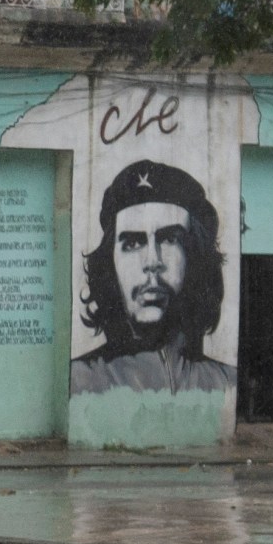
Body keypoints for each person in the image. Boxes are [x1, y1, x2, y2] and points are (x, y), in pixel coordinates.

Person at [71, 160, 236, 395]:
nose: (152, 262)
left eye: (170, 239)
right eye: (132, 243)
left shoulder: (226, 384)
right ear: (109, 263)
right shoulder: (78, 384)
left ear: (196, 257)